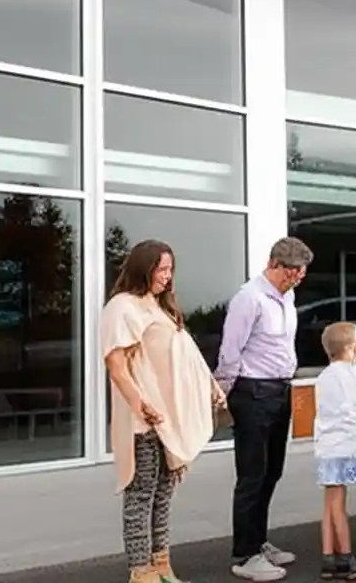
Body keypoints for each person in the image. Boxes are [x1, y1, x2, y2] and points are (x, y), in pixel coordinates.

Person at [101, 239, 227, 583]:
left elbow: (187, 354)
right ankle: (141, 572)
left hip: (171, 418)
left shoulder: (159, 307)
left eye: (171, 270)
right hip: (145, 420)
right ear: (144, 268)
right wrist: (140, 402)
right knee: (141, 494)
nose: (168, 277)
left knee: (163, 494)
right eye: (162, 269)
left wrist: (210, 387)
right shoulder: (122, 307)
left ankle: (161, 566)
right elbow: (116, 365)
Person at [215, 237, 314, 582]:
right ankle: (244, 554)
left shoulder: (287, 298)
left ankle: (258, 542)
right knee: (252, 475)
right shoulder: (249, 299)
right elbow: (230, 351)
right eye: (292, 272)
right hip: (253, 392)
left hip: (279, 390)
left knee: (272, 471)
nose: (297, 278)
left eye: (301, 274)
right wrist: (223, 397)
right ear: (274, 264)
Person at [314, 322, 356, 580]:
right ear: (351, 346)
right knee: (339, 505)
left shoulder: (323, 377)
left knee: (328, 504)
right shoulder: (352, 376)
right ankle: (346, 557)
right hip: (342, 448)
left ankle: (328, 558)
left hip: (325, 448)